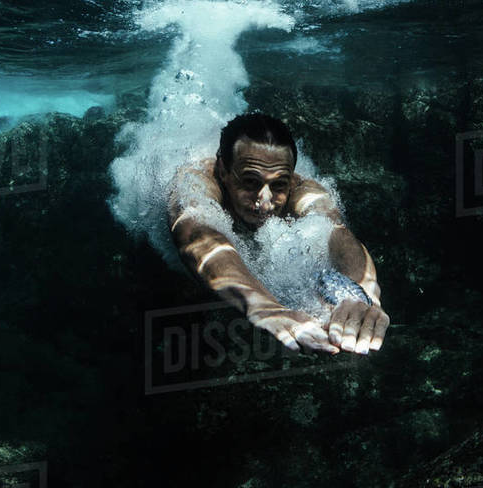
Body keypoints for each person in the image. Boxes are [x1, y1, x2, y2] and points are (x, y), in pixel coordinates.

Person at [167, 112, 390, 355]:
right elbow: (197, 234)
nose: (265, 202)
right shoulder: (196, 180)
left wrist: (360, 293)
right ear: (222, 170)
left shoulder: (302, 188)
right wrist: (261, 305)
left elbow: (335, 231)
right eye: (251, 182)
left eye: (279, 185)